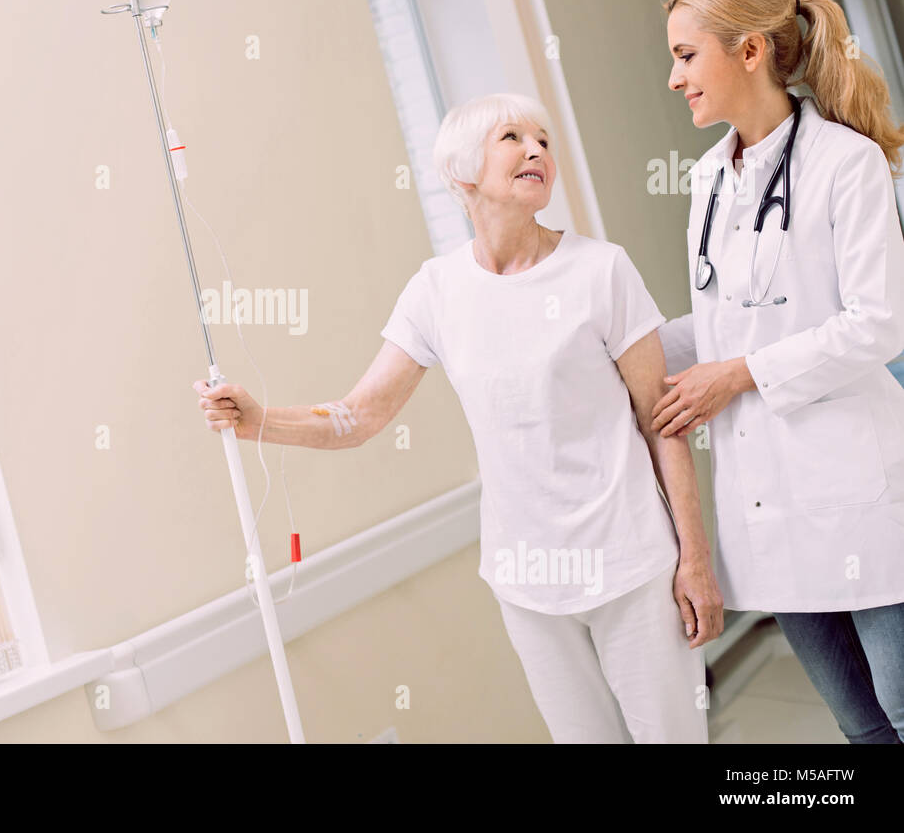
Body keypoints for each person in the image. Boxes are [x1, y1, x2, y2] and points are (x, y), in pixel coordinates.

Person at [193, 93, 723, 743]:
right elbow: (359, 416)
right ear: (462, 174)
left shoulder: (600, 271)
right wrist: (258, 422)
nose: (536, 149)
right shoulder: (437, 290)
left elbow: (661, 419)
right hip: (526, 584)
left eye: (543, 139)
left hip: (632, 566)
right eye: (512, 137)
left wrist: (694, 559)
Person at [655, 0, 904, 743]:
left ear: (752, 50)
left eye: (687, 55)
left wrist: (740, 374)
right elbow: (725, 319)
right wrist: (618, 347)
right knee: (860, 729)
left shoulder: (843, 162)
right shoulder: (706, 180)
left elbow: (880, 322)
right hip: (767, 510)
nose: (673, 78)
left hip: (861, 500)